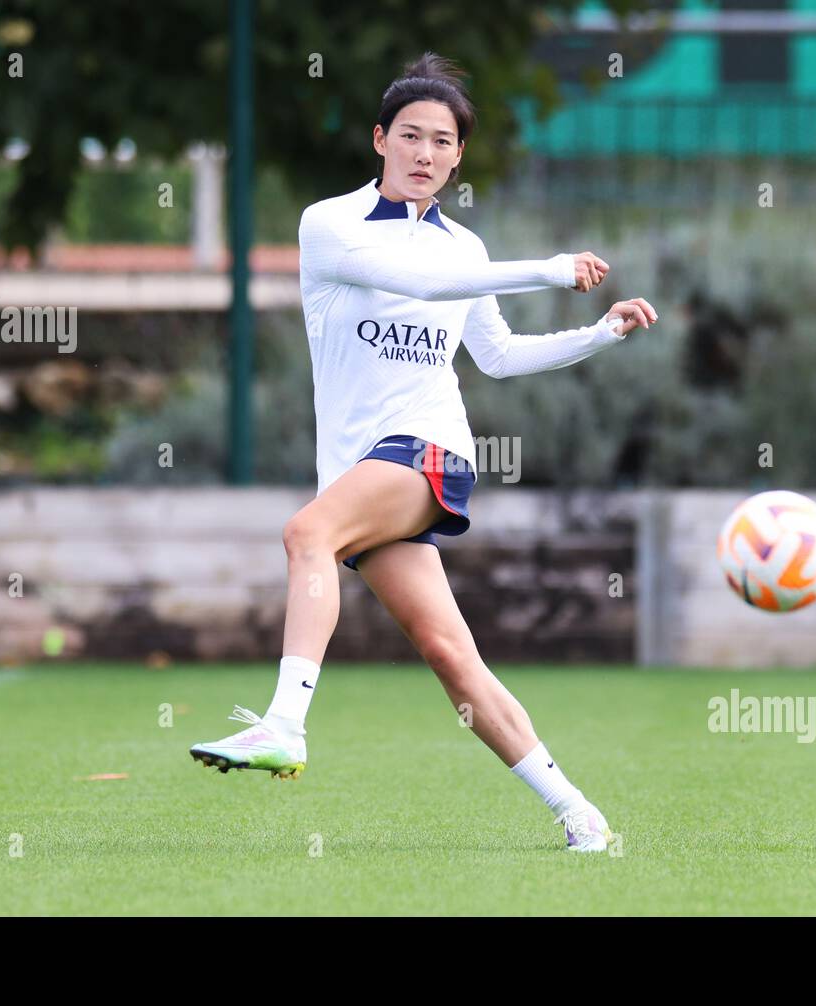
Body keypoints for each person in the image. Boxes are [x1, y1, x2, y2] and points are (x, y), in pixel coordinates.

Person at [191, 52, 657, 853]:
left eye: (442, 142)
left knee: (307, 534)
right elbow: (424, 286)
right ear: (379, 139)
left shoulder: (466, 250)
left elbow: (500, 356)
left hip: (430, 450)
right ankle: (581, 814)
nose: (425, 154)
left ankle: (284, 727)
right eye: (410, 136)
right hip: (362, 470)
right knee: (452, 658)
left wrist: (598, 335)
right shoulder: (329, 226)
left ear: (457, 158)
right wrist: (549, 268)